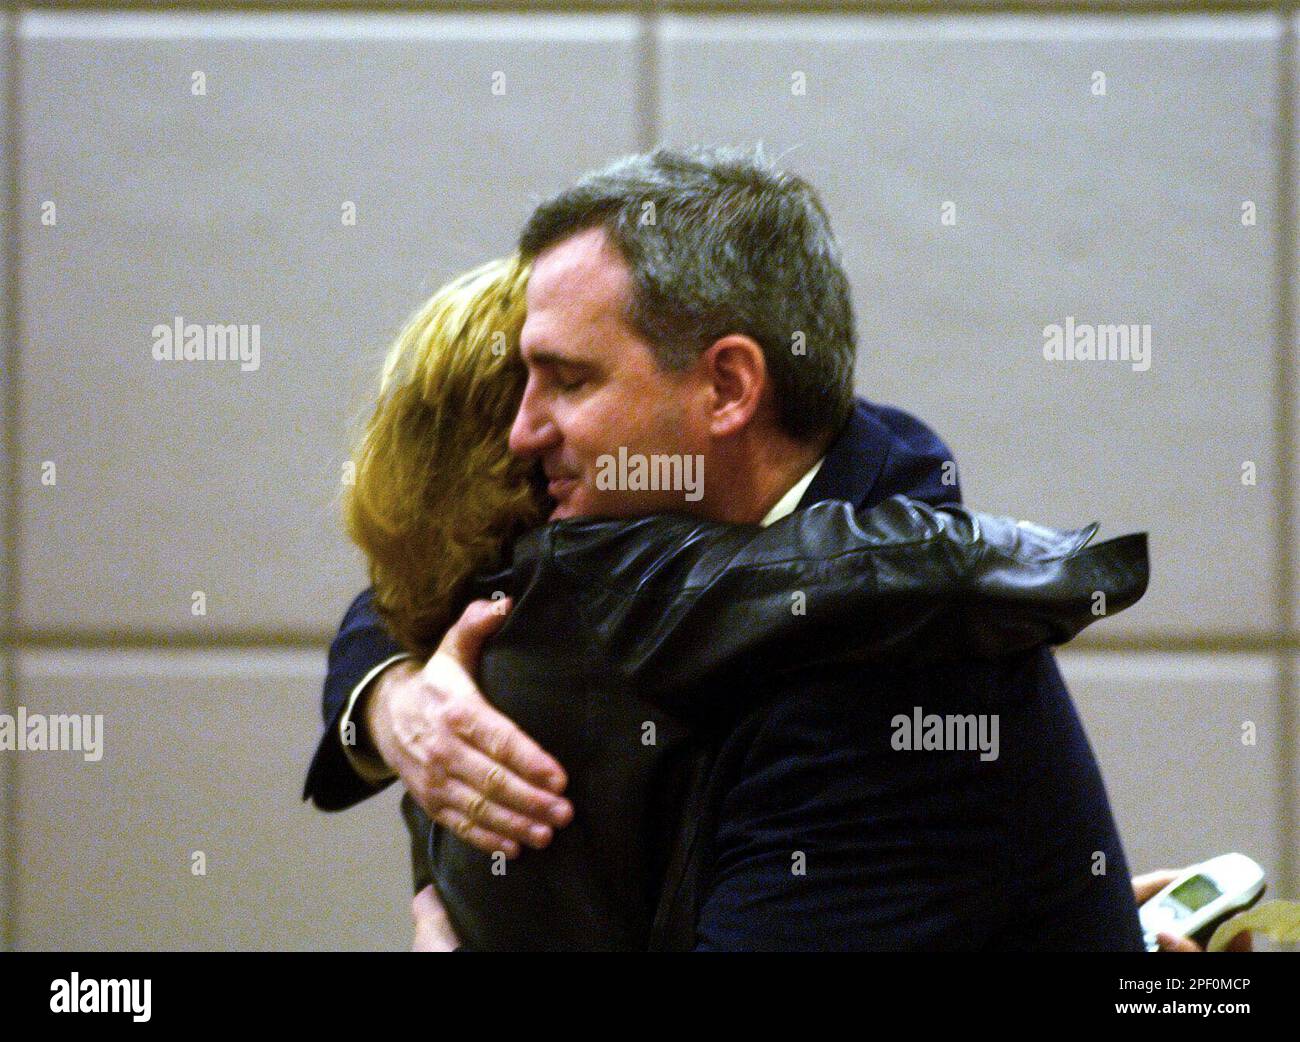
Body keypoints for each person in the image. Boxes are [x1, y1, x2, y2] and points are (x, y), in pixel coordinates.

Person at [307, 144, 1148, 950]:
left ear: (728, 387)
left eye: (569, 380)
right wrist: (391, 699)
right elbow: (432, 583)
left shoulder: (901, 667)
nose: (526, 432)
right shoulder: (561, 592)